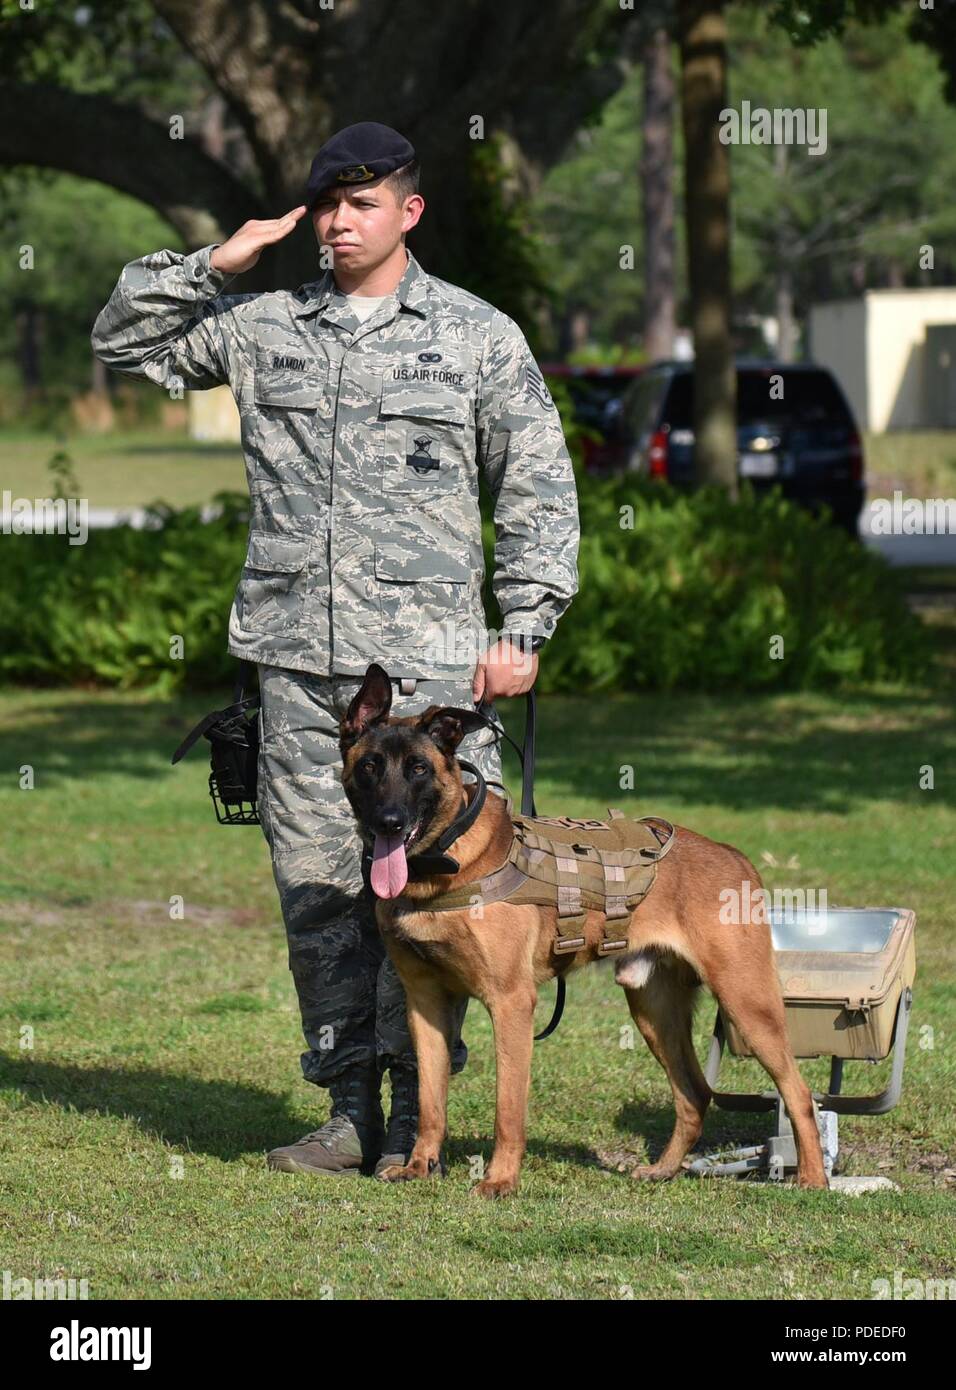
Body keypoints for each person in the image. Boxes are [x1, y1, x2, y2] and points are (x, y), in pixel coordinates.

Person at [91, 120, 580, 1178]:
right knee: (318, 889)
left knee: (431, 897)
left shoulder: (473, 336)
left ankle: (422, 1120)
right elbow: (122, 343)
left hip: (429, 683)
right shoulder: (263, 327)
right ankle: (349, 1110)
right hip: (300, 676)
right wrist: (209, 265)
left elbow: (537, 480)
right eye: (325, 203)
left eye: (360, 203)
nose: (337, 220)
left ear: (407, 212)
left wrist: (524, 626)